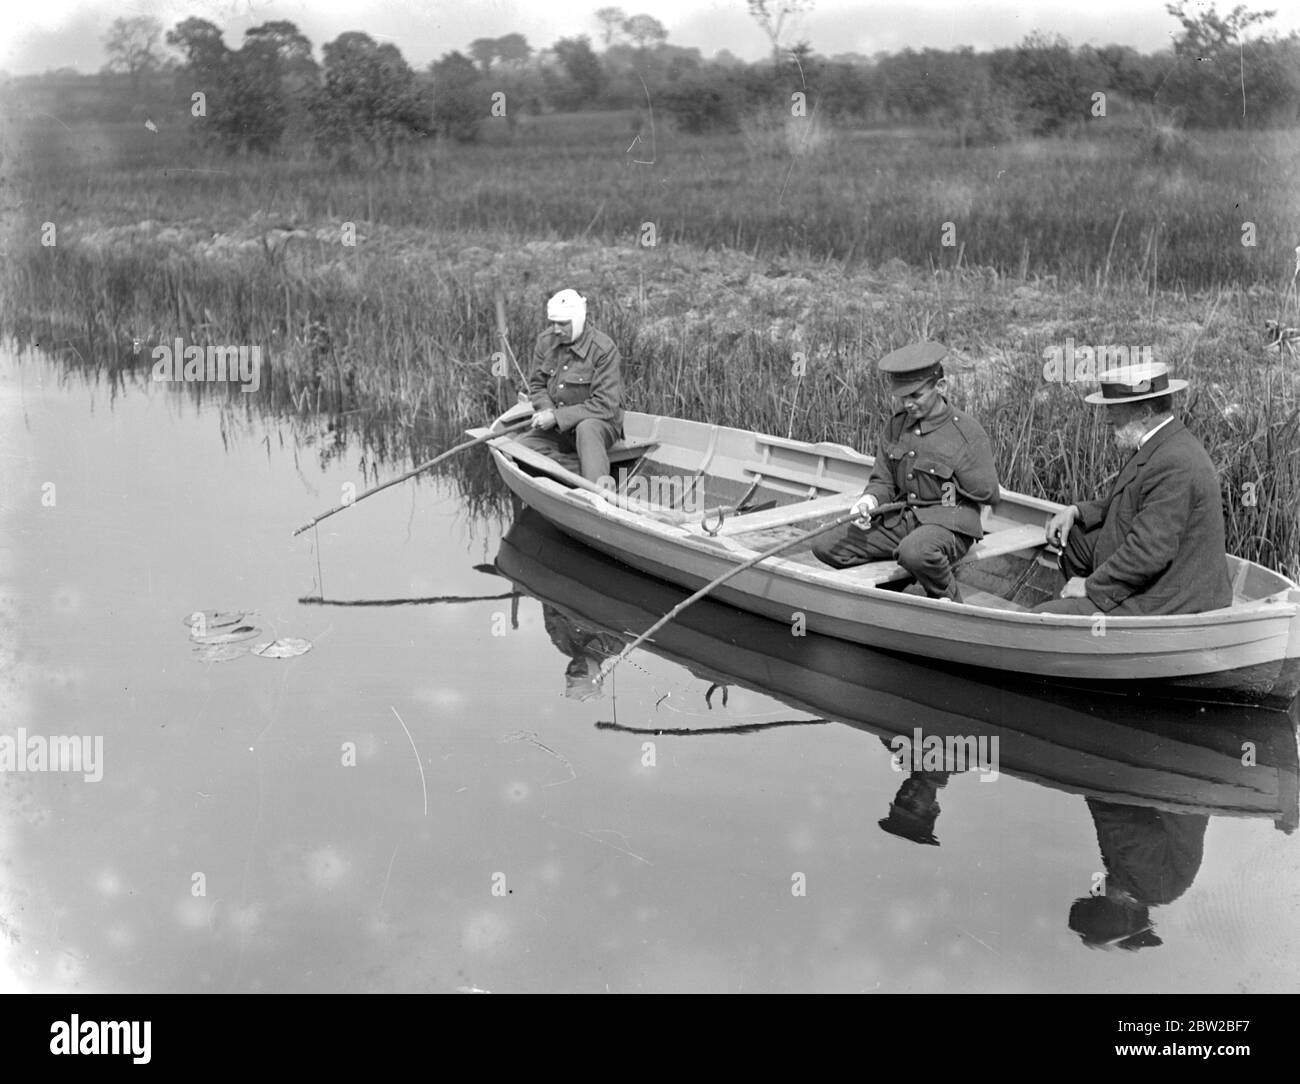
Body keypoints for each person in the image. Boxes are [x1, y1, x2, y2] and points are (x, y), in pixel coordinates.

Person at [1037, 362, 1232, 615]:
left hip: (1170, 597)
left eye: (1113, 410)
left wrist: (1091, 586)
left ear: (1144, 413)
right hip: (1162, 577)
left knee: (1041, 617)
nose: (1107, 420)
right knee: (1075, 537)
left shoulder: (1175, 463)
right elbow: (1130, 502)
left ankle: (1080, 615)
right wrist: (1076, 511)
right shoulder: (1163, 443)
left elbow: (1148, 552)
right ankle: (1079, 611)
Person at [812, 342, 1000, 603]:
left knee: (916, 551)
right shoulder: (896, 426)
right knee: (825, 545)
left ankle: (950, 601)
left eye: (915, 395)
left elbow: (988, 493)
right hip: (903, 521)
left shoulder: (967, 433)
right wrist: (870, 501)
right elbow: (883, 480)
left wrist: (950, 487)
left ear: (941, 387)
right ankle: (901, 579)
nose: (907, 404)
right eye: (902, 397)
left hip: (950, 524)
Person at [515, 289, 624, 484]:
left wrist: (556, 417)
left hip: (599, 425)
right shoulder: (545, 342)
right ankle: (582, 472)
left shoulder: (603, 350)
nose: (556, 329)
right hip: (559, 429)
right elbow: (537, 386)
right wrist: (547, 411)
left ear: (578, 320)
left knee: (587, 428)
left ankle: (598, 494)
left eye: (563, 323)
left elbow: (605, 406)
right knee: (519, 448)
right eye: (553, 323)